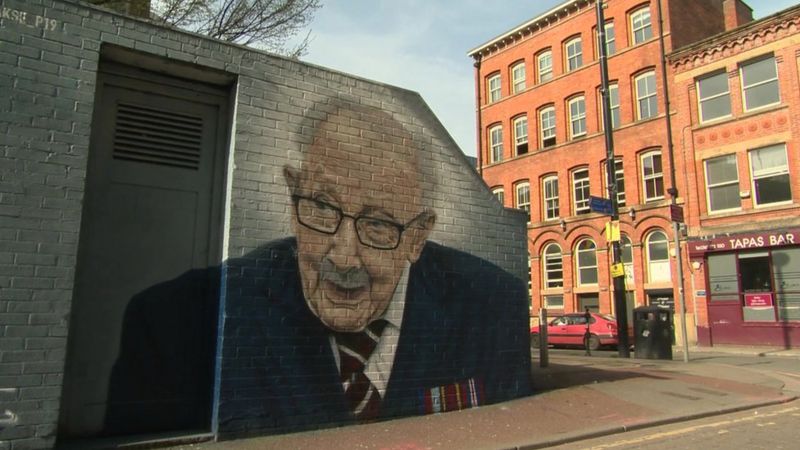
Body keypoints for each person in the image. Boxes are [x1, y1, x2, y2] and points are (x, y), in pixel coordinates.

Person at [105, 99, 531, 437]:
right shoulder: (172, 321)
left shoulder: (494, 306)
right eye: (322, 208)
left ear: (418, 238)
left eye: (379, 224)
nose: (342, 257)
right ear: (294, 198)